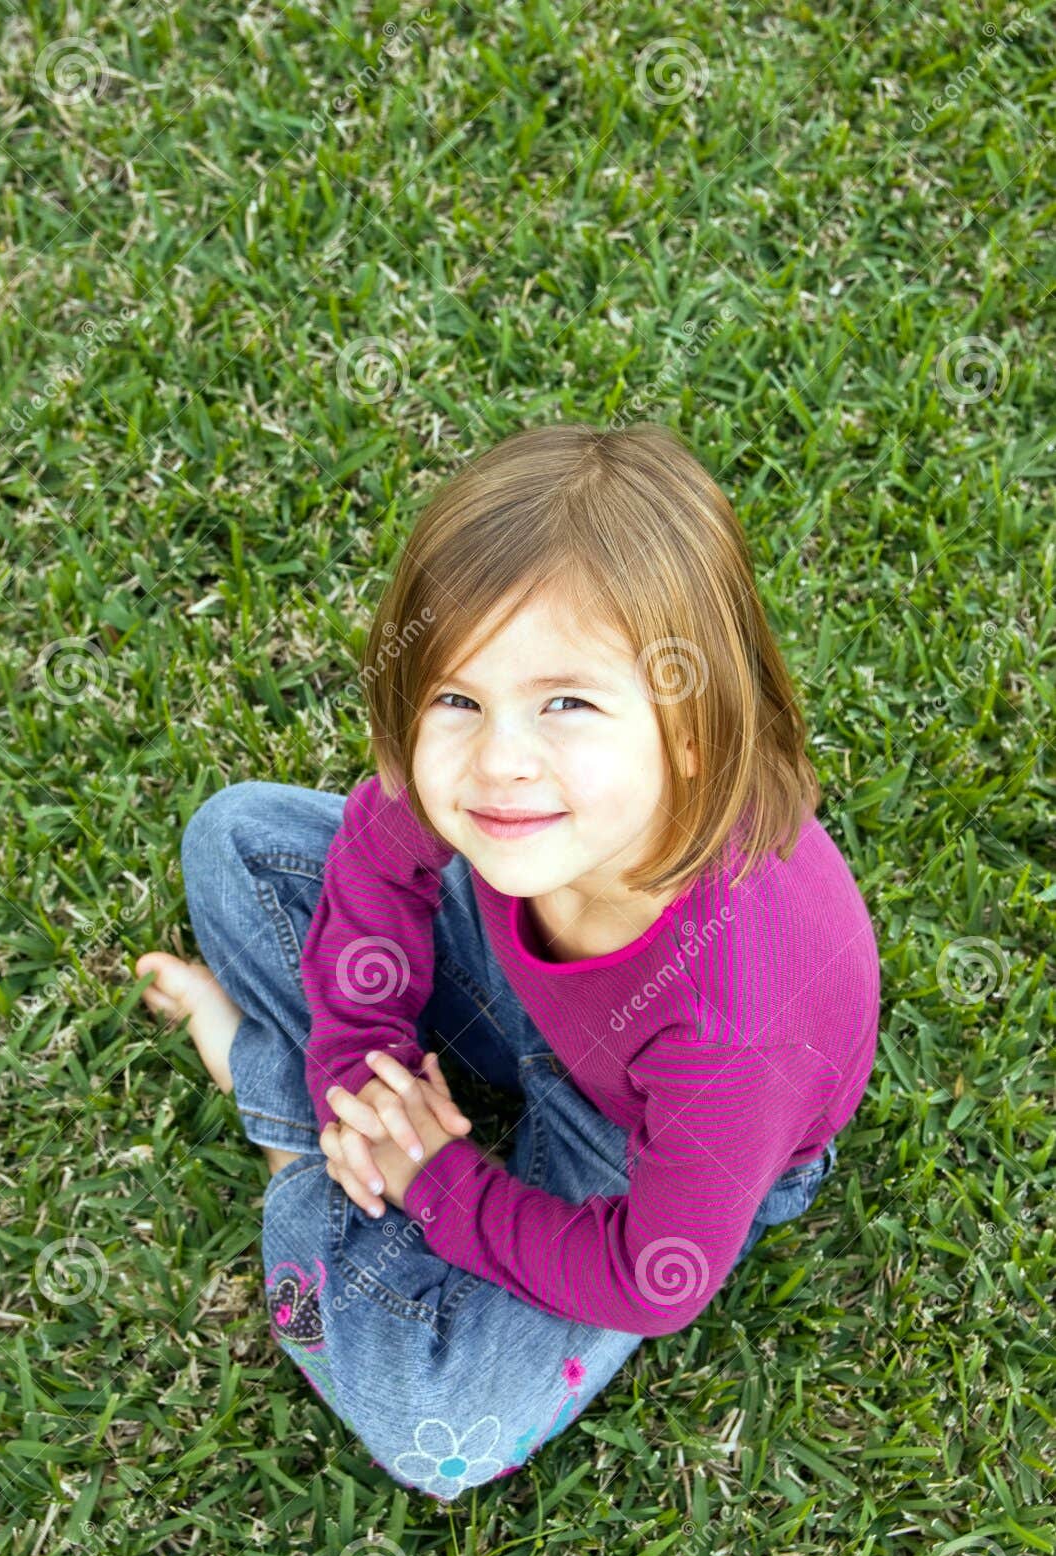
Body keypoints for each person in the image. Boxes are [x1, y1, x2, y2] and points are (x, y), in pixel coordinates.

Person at [134, 422, 880, 1501]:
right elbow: (380, 847)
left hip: (647, 1132)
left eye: (566, 702)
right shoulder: (517, 804)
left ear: (691, 730)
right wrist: (360, 1065)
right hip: (531, 983)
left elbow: (650, 1275)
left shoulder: (736, 1024)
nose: (496, 760)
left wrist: (437, 1181)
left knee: (436, 1427)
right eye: (456, 698)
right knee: (235, 842)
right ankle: (321, 1110)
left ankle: (290, 1149)